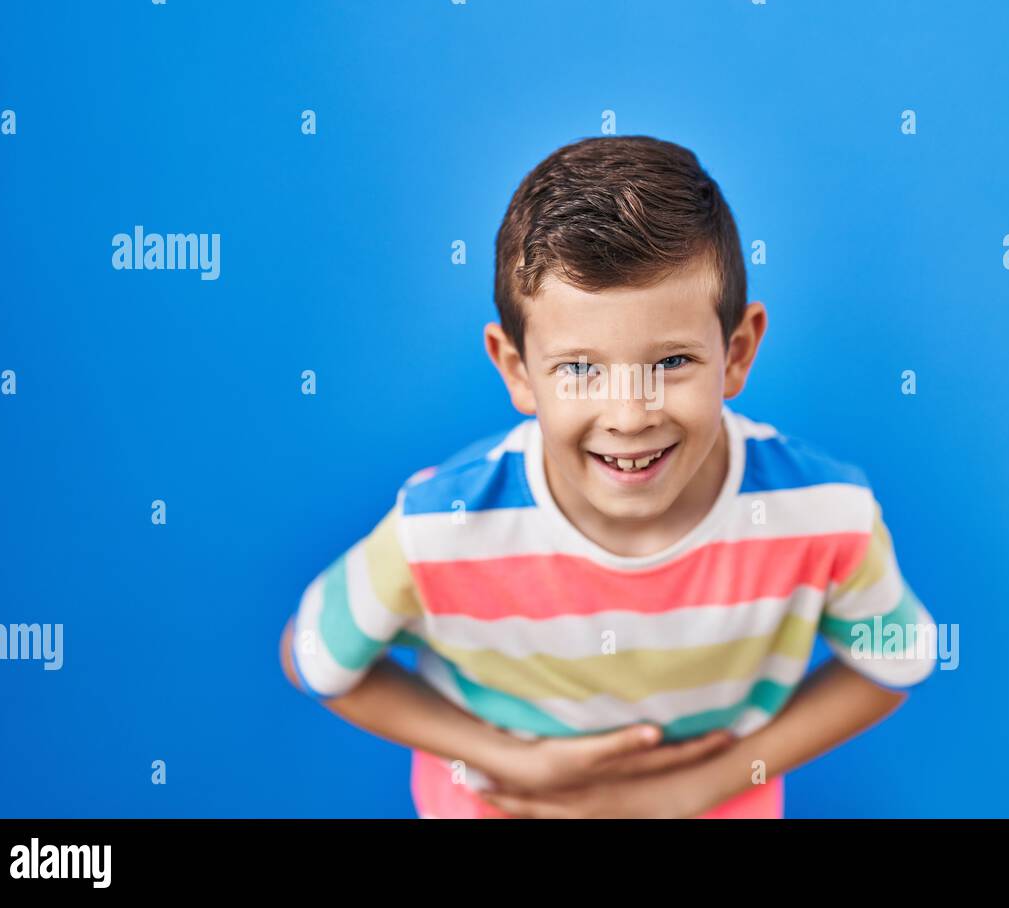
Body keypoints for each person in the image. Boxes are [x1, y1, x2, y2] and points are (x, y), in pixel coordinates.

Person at [279, 135, 938, 818]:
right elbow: (310, 656)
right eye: (580, 368)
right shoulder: (442, 527)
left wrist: (690, 790)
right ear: (515, 368)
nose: (629, 416)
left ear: (736, 353)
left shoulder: (823, 514)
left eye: (673, 361)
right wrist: (514, 762)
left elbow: (899, 661)